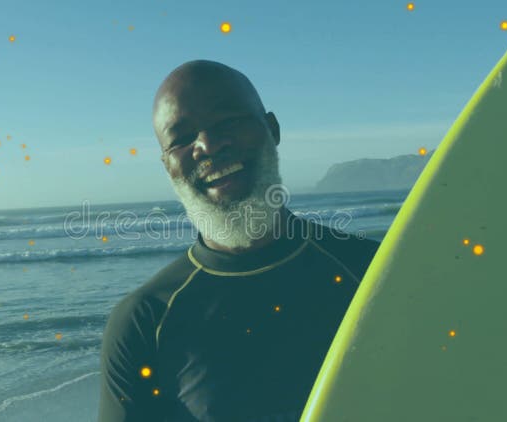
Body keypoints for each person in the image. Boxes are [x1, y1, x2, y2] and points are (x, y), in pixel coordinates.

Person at [97, 60, 381, 422]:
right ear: (167, 165)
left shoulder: (372, 272)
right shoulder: (144, 322)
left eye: (227, 120)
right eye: (182, 139)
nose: (208, 145)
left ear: (272, 128)